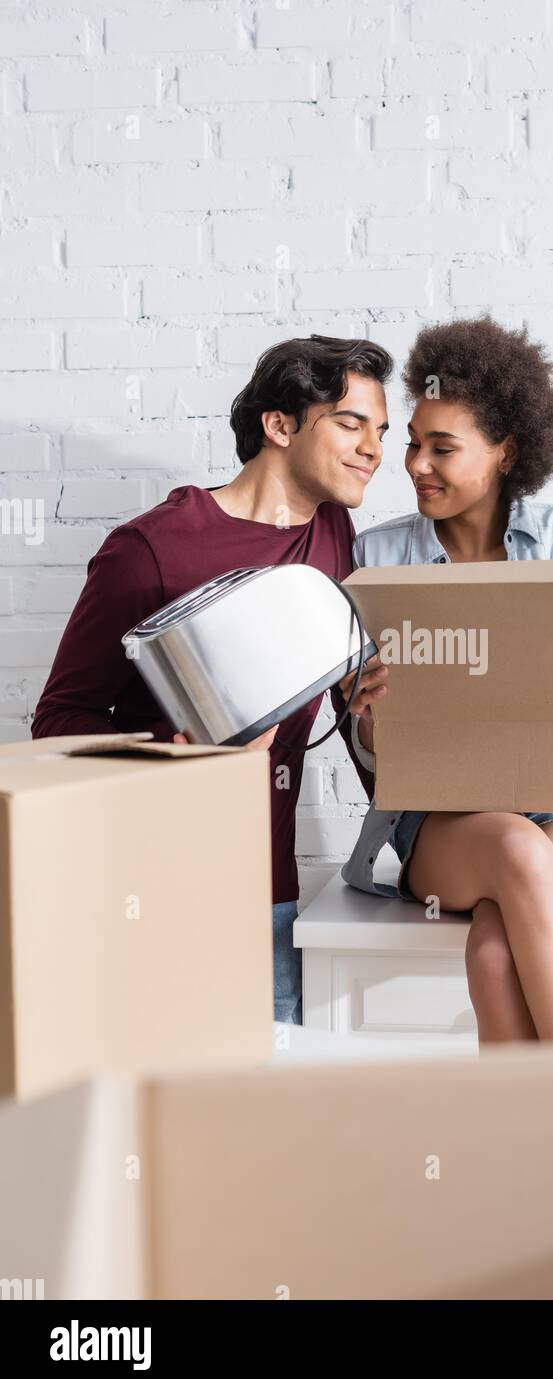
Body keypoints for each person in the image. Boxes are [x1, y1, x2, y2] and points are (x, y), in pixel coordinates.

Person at [31, 334, 393, 1026]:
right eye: (350, 424)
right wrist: (181, 757)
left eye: (380, 431)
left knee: (262, 1121)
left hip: (265, 897)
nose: (373, 448)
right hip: (146, 889)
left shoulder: (336, 536)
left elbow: (353, 723)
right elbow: (57, 721)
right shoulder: (150, 548)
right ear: (279, 425)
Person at [338, 316, 553, 1049]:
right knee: (515, 851)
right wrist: (371, 714)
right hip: (448, 824)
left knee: (491, 950)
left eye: (440, 448)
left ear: (505, 453)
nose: (415, 463)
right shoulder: (376, 553)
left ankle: (529, 1159)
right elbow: (373, 756)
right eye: (412, 443)